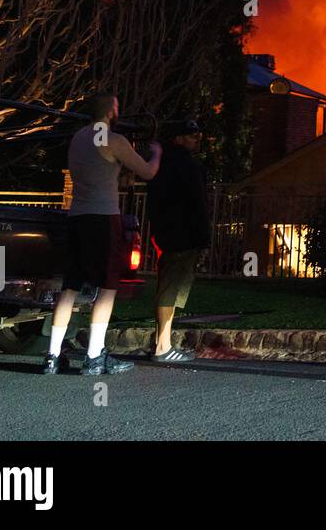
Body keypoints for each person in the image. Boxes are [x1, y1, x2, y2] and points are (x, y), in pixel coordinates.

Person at [42, 92, 161, 375]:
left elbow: (95, 171)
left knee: (69, 287)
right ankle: (94, 355)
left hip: (77, 217)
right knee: (107, 286)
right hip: (103, 217)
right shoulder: (113, 140)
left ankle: (52, 356)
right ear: (111, 112)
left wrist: (117, 171)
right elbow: (147, 172)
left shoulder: (78, 139)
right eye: (117, 108)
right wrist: (156, 152)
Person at [144, 118, 209, 363]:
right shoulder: (186, 165)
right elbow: (197, 204)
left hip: (165, 233)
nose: (197, 139)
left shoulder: (159, 163)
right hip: (183, 235)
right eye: (192, 135)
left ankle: (163, 341)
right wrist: (203, 237)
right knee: (171, 289)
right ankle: (163, 346)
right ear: (178, 138)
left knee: (167, 286)